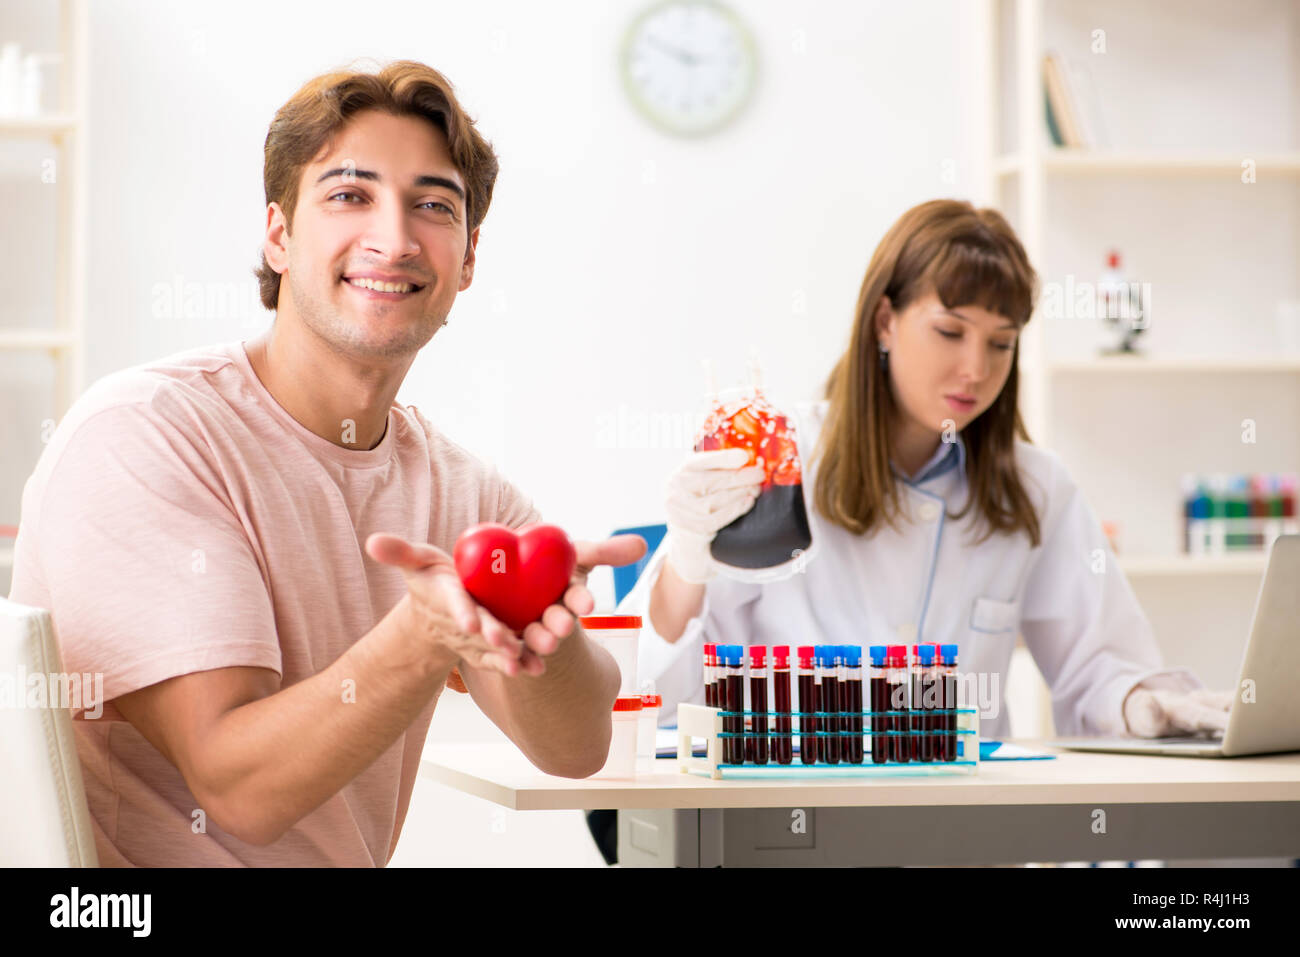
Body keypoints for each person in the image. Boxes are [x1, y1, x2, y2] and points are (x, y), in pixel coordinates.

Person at [9, 59, 644, 867]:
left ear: (468, 259)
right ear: (278, 234)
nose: (395, 237)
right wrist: (424, 634)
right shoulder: (147, 435)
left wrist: (539, 638)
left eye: (433, 206)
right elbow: (239, 787)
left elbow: (576, 749)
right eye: (350, 195)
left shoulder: (462, 491)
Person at [626, 199, 1231, 740]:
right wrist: (687, 563)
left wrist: (1143, 704)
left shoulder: (1034, 488)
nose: (976, 368)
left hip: (961, 830)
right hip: (793, 818)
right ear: (885, 321)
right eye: (949, 331)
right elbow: (660, 699)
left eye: (1001, 342)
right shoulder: (779, 455)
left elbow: (1098, 664)